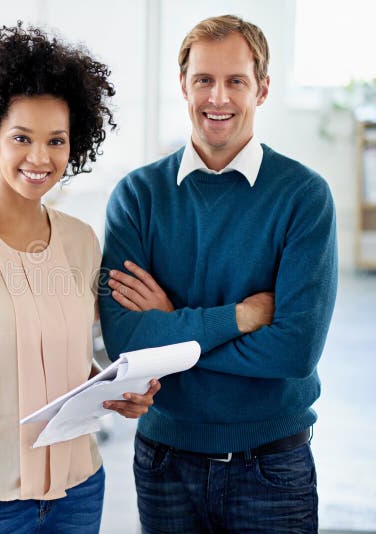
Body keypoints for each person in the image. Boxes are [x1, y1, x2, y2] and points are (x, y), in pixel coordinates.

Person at [0, 23, 160, 534]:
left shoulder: (82, 240)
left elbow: (65, 363)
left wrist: (114, 389)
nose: (40, 158)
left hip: (79, 489)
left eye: (56, 141)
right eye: (22, 137)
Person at [98, 14, 338, 533]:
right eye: (204, 79)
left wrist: (171, 327)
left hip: (271, 468)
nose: (218, 98)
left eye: (236, 81)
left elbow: (295, 351)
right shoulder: (138, 198)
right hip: (165, 466)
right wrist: (243, 316)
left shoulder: (303, 197)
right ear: (182, 85)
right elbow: (125, 338)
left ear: (263, 89)